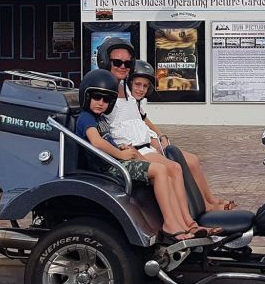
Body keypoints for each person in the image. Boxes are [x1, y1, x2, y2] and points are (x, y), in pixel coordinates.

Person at [96, 37, 236, 212]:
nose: (122, 66)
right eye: (117, 62)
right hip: (135, 147)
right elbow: (102, 127)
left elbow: (142, 119)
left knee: (192, 161)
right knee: (173, 168)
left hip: (148, 144)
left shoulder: (128, 93)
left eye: (126, 63)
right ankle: (190, 213)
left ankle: (209, 202)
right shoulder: (105, 93)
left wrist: (160, 135)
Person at [74, 69, 213, 243]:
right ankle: (171, 223)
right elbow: (96, 142)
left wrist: (123, 148)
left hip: (115, 160)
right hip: (109, 166)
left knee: (168, 171)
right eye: (96, 97)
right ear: (86, 97)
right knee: (160, 171)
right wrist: (122, 154)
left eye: (106, 100)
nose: (101, 103)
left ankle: (184, 222)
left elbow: (107, 139)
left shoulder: (100, 118)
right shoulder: (86, 118)